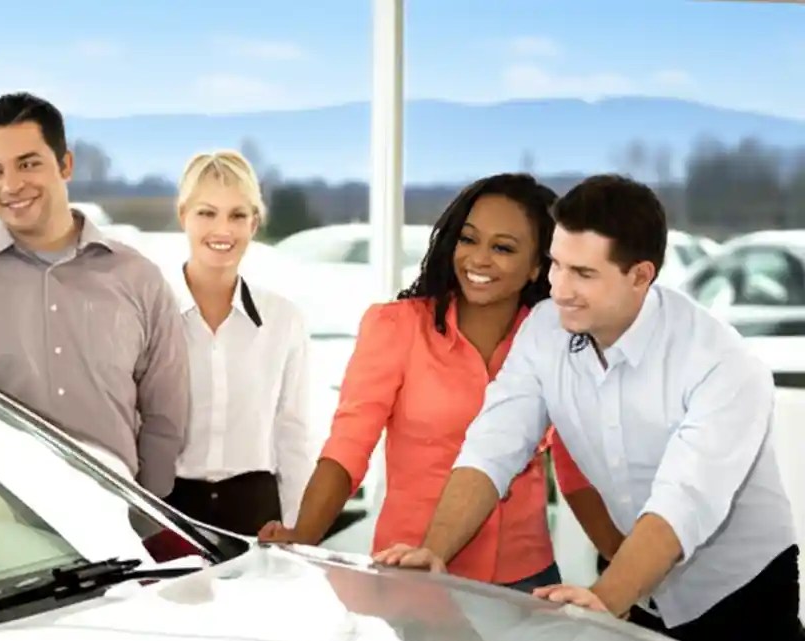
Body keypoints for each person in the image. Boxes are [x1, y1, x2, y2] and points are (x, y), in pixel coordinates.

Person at [373, 174, 804, 641]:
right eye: (556, 264)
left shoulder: (721, 363)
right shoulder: (544, 331)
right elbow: (492, 446)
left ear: (640, 276)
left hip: (740, 595)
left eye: (583, 273)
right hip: (637, 583)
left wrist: (604, 599)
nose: (558, 288)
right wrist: (433, 550)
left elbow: (683, 502)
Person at [260, 172, 613, 592]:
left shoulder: (555, 342)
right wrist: (304, 535)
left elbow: (575, 470)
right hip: (412, 570)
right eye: (468, 239)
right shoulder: (397, 327)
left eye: (502, 247)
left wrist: (625, 572)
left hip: (525, 578)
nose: (478, 259)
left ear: (539, 265)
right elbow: (348, 448)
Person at [0, 91, 189, 498]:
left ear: (65, 165)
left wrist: (147, 517)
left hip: (113, 523)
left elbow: (165, 419)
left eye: (28, 164)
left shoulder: (139, 280)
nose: (11, 185)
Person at [163, 149, 312, 535]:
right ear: (183, 215)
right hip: (165, 509)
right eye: (206, 213)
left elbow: (293, 435)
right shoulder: (149, 313)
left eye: (237, 215)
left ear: (254, 223)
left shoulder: (283, 319)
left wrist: (297, 529)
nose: (222, 229)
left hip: (256, 514)